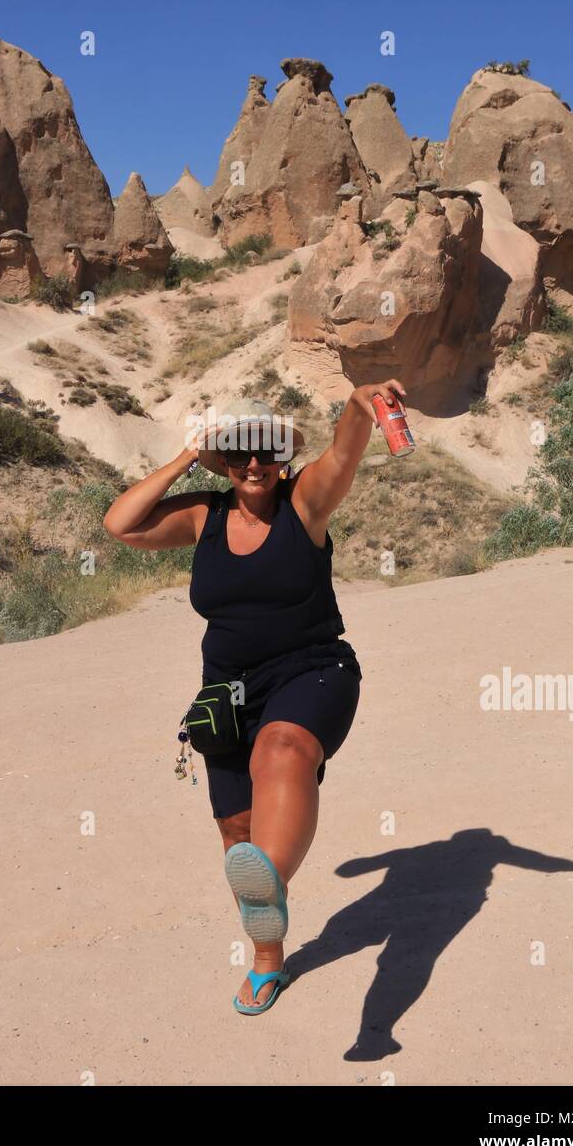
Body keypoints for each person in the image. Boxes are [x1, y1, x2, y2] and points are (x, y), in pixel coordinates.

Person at [102, 380, 406, 1013]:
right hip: (226, 696)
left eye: (264, 452)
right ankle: (269, 956)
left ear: (281, 458)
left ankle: (275, 885)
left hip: (314, 670)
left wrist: (359, 402)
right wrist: (191, 455)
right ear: (223, 459)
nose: (252, 464)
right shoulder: (203, 516)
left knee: (284, 748)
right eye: (237, 453)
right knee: (237, 836)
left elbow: (346, 454)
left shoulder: (306, 505)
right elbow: (120, 524)